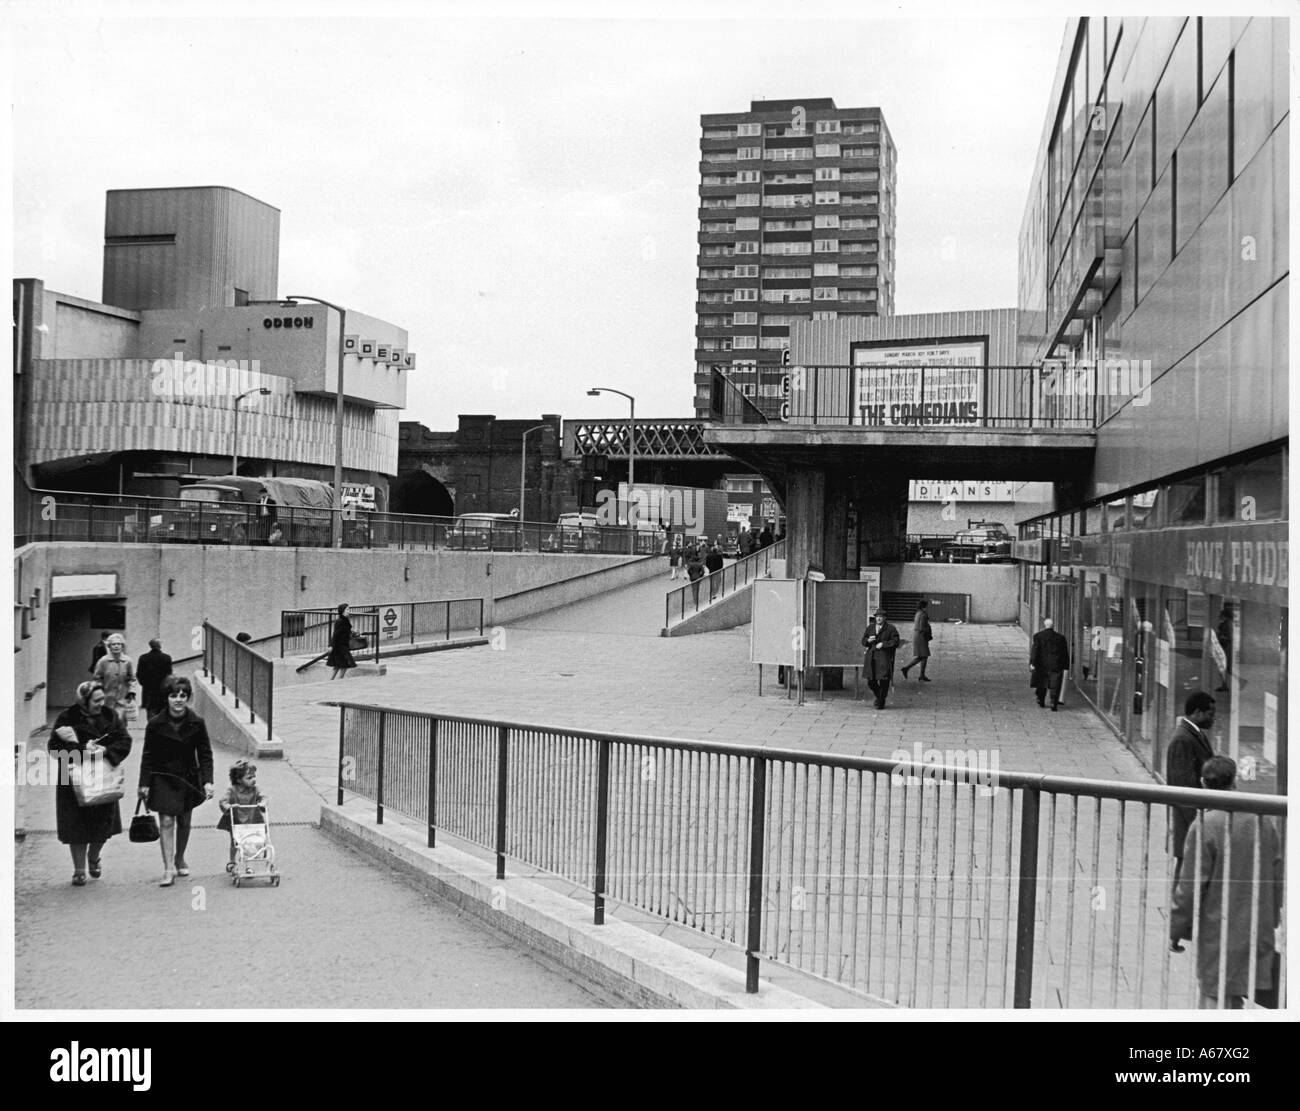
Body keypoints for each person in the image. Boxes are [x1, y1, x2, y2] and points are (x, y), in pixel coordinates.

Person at [1170, 756, 1283, 1009]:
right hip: (1256, 931)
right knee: (1240, 996)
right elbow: (1277, 878)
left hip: (1218, 935)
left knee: (1215, 998)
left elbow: (1188, 888)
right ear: (1234, 782)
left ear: (1203, 783)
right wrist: (1272, 919)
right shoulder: (1264, 822)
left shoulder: (1205, 825)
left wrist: (1177, 930)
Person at [49, 681, 132, 886]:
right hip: (74, 782)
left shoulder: (110, 716)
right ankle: (78, 870)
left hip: (103, 778)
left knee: (102, 825)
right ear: (84, 701)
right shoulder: (67, 718)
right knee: (76, 826)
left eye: (102, 699)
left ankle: (94, 856)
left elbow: (125, 741)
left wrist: (105, 751)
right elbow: (53, 748)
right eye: (96, 700)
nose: (101, 703)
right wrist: (81, 750)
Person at [138, 676, 214, 886]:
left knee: (185, 821)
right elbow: (148, 755)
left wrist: (208, 781)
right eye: (174, 695)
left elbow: (205, 754)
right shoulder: (155, 724)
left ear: (188, 698)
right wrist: (144, 783)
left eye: (183, 695)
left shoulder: (197, 722)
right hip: (163, 777)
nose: (178, 699)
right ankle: (168, 867)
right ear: (167, 698)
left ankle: (180, 856)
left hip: (188, 778)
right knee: (167, 821)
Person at [1165, 691, 1217, 884]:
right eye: (1210, 713)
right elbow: (1182, 785)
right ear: (1197, 712)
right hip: (1187, 819)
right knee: (1185, 866)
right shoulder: (1183, 739)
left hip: (1191, 818)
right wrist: (1198, 822)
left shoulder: (1193, 734)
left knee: (1188, 865)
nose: (1212, 718)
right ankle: (1178, 909)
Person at [217, 760, 268, 872]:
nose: (253, 780)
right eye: (249, 778)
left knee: (250, 842)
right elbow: (223, 801)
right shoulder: (232, 790)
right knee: (235, 842)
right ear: (239, 780)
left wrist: (262, 803)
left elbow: (263, 796)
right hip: (237, 820)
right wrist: (229, 806)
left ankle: (248, 865)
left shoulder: (256, 789)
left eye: (254, 776)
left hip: (252, 818)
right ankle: (232, 860)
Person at [862, 608, 902, 710]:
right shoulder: (870, 627)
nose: (879, 619)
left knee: (884, 681)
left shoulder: (890, 628)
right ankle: (880, 697)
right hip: (871, 657)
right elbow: (863, 641)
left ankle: (880, 701)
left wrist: (883, 644)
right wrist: (868, 640)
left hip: (884, 658)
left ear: (885, 618)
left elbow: (896, 641)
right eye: (877, 617)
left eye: (881, 617)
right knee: (871, 681)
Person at [1029, 616, 1070, 710]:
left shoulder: (1038, 636)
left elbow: (1035, 651)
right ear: (1053, 626)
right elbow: (1064, 653)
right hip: (1056, 664)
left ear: (1044, 625)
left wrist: (1032, 663)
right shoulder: (1060, 638)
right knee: (1055, 683)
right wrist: (1066, 665)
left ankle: (1041, 700)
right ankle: (1053, 702)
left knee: (1042, 682)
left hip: (1042, 664)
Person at [92, 633, 136, 715]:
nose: (116, 646)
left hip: (122, 699)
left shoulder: (128, 661)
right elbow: (97, 678)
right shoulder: (103, 661)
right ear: (109, 647)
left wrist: (131, 691)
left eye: (119, 644)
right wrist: (99, 691)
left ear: (122, 646)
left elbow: (133, 679)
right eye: (113, 644)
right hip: (106, 699)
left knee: (120, 723)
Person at [135, 638, 173, 717]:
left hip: (148, 690)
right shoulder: (167, 658)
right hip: (162, 690)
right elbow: (169, 675)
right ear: (160, 646)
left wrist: (144, 684)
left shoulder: (143, 658)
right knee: (163, 712)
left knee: (150, 711)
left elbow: (139, 674)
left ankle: (151, 727)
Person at [900, 599, 933, 681]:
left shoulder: (918, 613)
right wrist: (928, 630)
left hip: (917, 636)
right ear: (924, 606)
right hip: (921, 637)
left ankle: (919, 674)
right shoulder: (923, 614)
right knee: (924, 656)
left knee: (922, 656)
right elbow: (922, 627)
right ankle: (908, 669)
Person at [328, 602, 357, 680]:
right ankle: (337, 680)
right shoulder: (340, 621)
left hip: (343, 645)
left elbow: (346, 631)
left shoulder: (345, 620)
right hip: (339, 646)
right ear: (343, 611)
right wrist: (331, 645)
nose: (349, 611)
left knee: (339, 665)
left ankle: (332, 680)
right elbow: (335, 635)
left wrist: (353, 632)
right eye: (347, 609)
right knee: (344, 664)